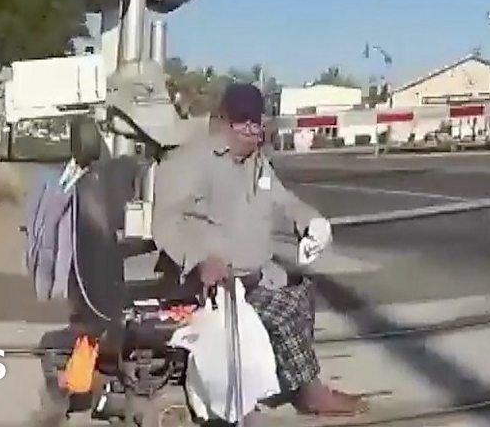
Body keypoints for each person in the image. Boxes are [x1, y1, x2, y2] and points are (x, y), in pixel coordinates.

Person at [153, 83, 368, 417]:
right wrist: (198, 259)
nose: (251, 130)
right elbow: (166, 221)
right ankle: (309, 393)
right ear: (223, 120)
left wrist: (311, 222)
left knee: (301, 291)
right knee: (285, 310)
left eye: (256, 121)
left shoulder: (257, 164)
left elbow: (283, 200)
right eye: (242, 121)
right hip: (209, 282)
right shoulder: (191, 160)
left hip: (253, 275)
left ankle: (291, 379)